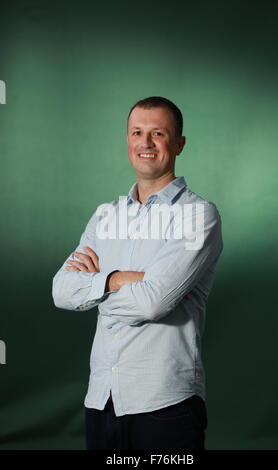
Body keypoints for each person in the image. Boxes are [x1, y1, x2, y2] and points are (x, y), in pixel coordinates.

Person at [52, 96, 223, 450]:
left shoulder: (198, 215)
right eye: (137, 132)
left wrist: (95, 288)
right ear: (127, 141)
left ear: (179, 144)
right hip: (101, 400)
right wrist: (119, 279)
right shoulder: (105, 216)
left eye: (158, 133)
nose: (145, 143)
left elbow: (152, 303)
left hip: (165, 405)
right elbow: (61, 291)